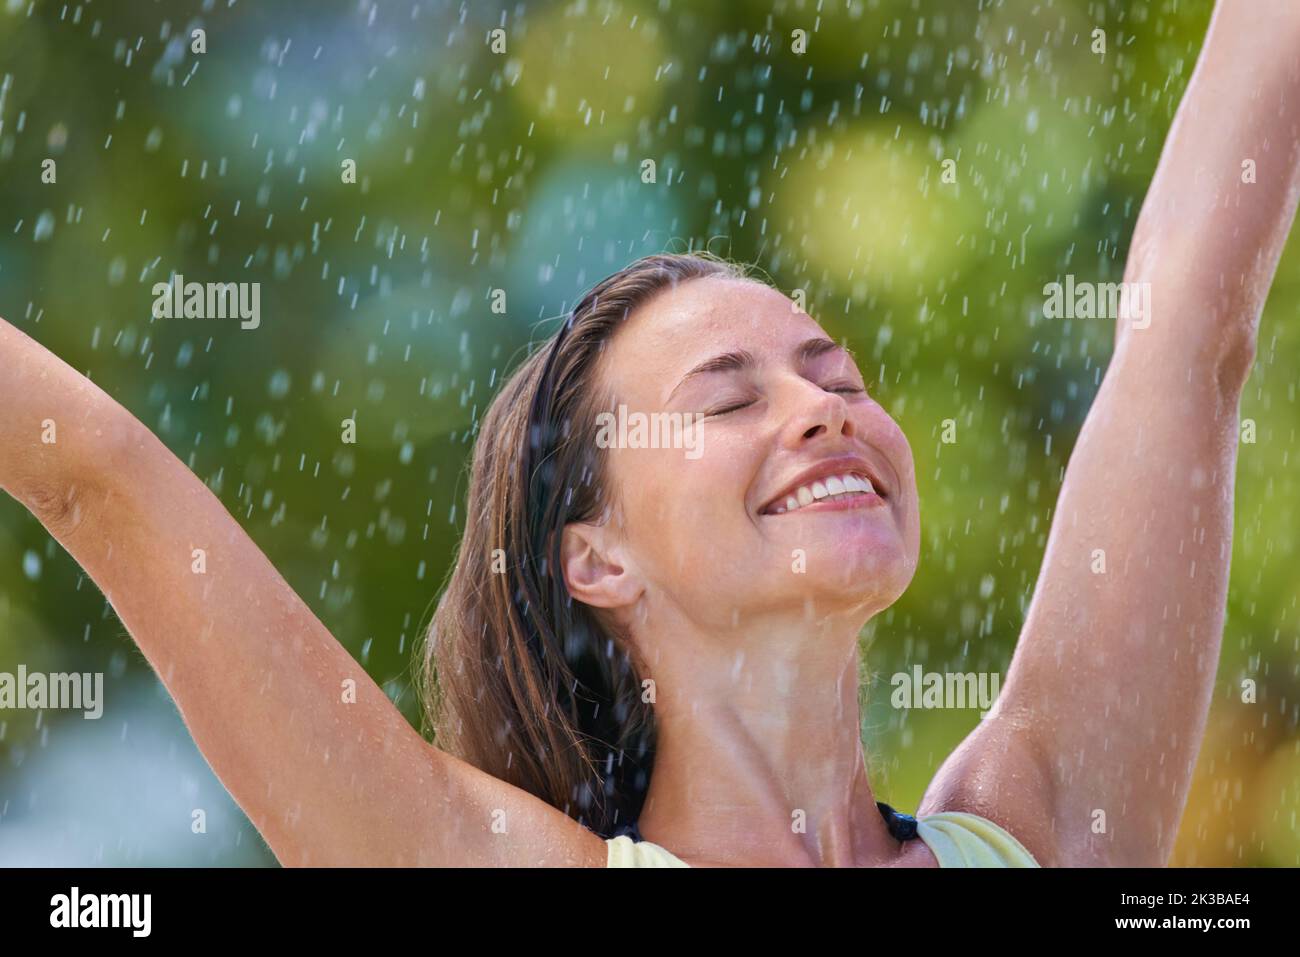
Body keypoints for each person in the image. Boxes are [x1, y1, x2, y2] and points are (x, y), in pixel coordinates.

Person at [2, 0, 1298, 867]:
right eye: (731, 398)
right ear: (595, 558)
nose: (823, 406)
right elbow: (95, 473)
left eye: (832, 371)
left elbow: (1189, 321)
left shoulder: (1044, 828)